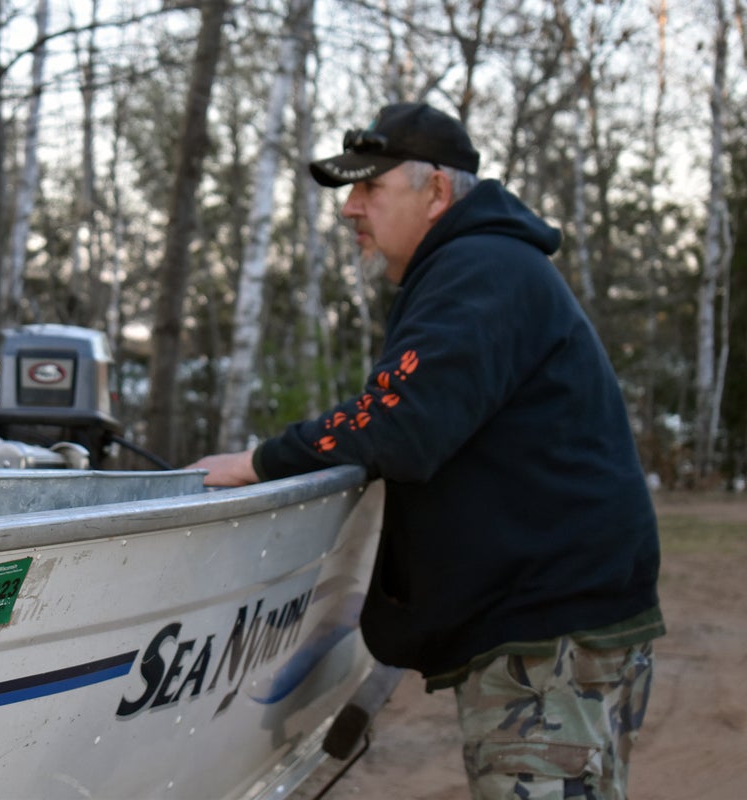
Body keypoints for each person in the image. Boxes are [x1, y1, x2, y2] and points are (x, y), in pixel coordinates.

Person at [189, 102, 663, 800]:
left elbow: (401, 423)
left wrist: (257, 463)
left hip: (549, 629)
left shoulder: (479, 268)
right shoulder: (485, 264)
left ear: (436, 190)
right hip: (570, 614)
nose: (350, 209)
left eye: (370, 188)